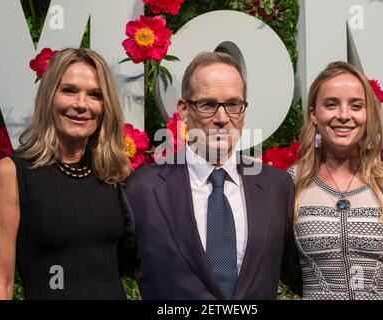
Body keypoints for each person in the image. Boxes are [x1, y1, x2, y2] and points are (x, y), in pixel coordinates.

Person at [123, 52, 302, 299]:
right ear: (184, 110)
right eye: (208, 104)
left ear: (243, 110)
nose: (222, 118)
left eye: (233, 105)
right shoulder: (141, 190)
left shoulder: (277, 187)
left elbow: (301, 275)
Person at [0, 48, 132, 299]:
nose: (81, 105)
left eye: (95, 95)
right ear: (49, 97)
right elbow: (1, 283)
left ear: (105, 106)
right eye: (69, 90)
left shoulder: (112, 174)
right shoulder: (10, 174)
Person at [288, 61, 383, 299]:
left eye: (356, 105)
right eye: (331, 104)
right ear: (313, 114)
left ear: (368, 114)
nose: (344, 115)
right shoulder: (292, 183)